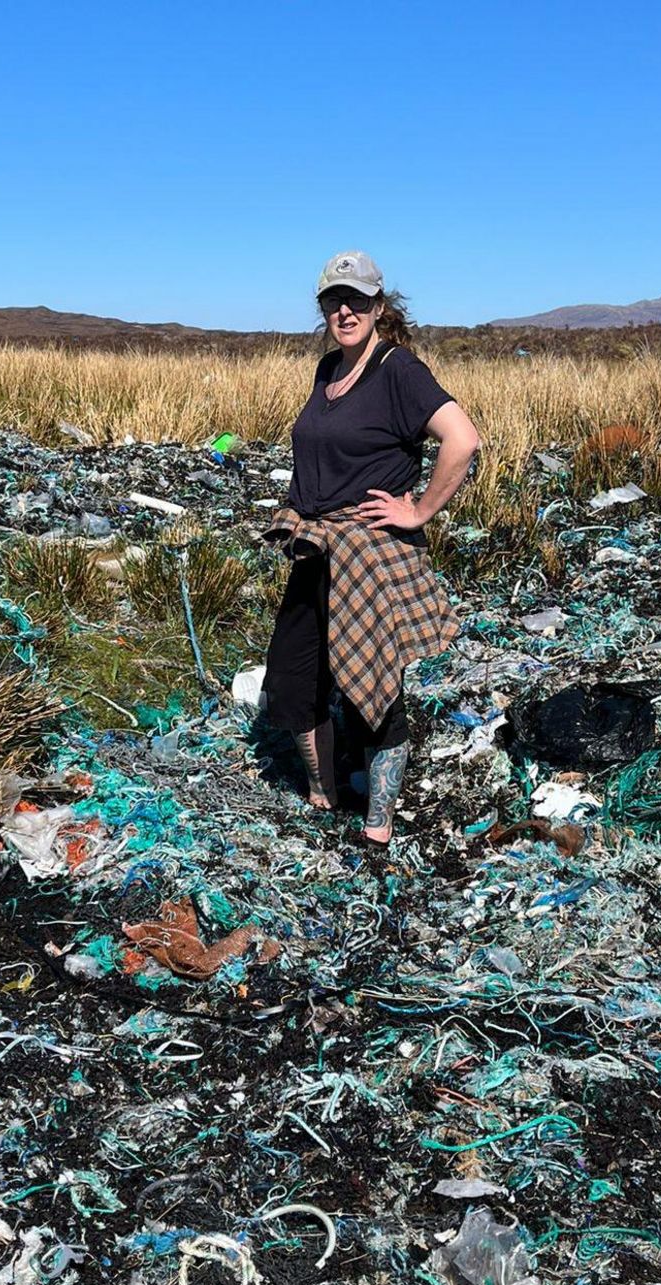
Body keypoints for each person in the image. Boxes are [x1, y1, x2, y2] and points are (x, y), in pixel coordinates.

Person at [262, 251, 482, 846]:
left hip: (369, 551)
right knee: (294, 677)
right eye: (334, 300)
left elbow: (462, 440)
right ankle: (323, 791)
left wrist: (419, 508)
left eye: (357, 299)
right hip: (316, 545)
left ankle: (377, 825)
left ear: (379, 306)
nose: (345, 310)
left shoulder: (398, 370)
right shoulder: (327, 369)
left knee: (376, 686)